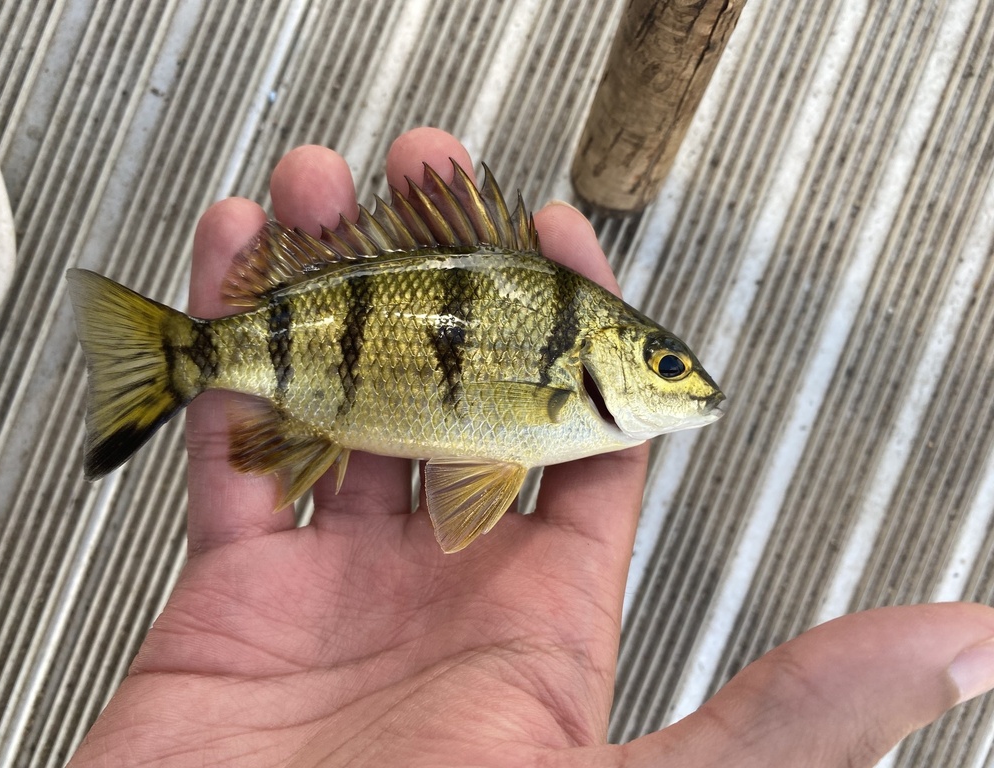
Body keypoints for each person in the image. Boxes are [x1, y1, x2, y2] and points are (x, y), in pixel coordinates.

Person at [67, 128, 994, 767]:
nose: (690, 388)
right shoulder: (562, 387)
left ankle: (181, 353)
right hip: (303, 380)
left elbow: (480, 474)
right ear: (604, 362)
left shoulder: (568, 396)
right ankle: (179, 355)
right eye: (666, 366)